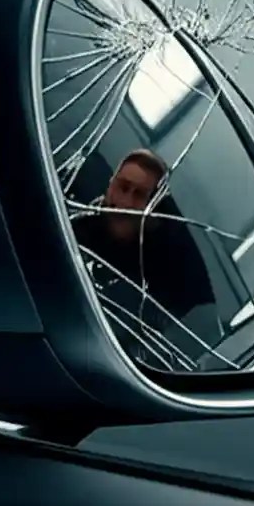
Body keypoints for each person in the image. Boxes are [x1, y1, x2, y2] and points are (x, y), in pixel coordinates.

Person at [70, 148, 217, 366]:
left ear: (153, 209)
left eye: (139, 195)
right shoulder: (73, 229)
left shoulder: (171, 271)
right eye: (122, 187)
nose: (126, 203)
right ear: (109, 187)